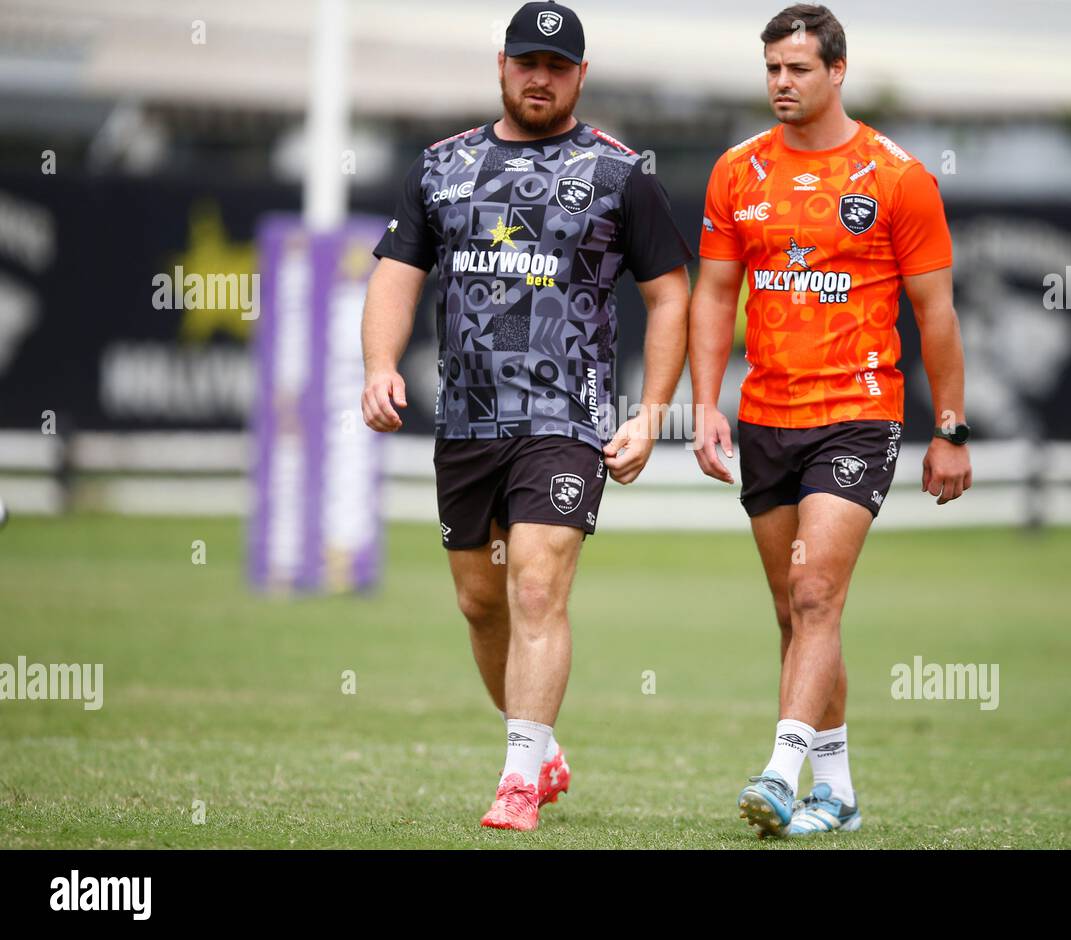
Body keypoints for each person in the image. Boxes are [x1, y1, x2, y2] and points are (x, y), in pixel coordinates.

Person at [361, 1, 693, 831]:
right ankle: (540, 747)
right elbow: (397, 272)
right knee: (482, 603)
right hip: (467, 419)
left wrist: (652, 412)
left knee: (537, 583)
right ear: (501, 66)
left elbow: (669, 295)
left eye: (556, 65)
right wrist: (376, 368)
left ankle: (515, 777)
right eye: (525, 61)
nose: (538, 76)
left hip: (566, 417)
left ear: (580, 75)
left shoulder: (621, 172)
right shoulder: (442, 166)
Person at [688, 3, 972, 837]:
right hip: (765, 417)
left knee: (816, 593)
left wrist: (950, 429)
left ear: (837, 71)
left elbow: (938, 313)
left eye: (798, 68)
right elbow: (713, 291)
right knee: (797, 611)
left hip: (857, 413)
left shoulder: (895, 176)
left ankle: (780, 774)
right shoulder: (737, 171)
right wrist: (705, 404)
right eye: (772, 68)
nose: (781, 82)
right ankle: (838, 791)